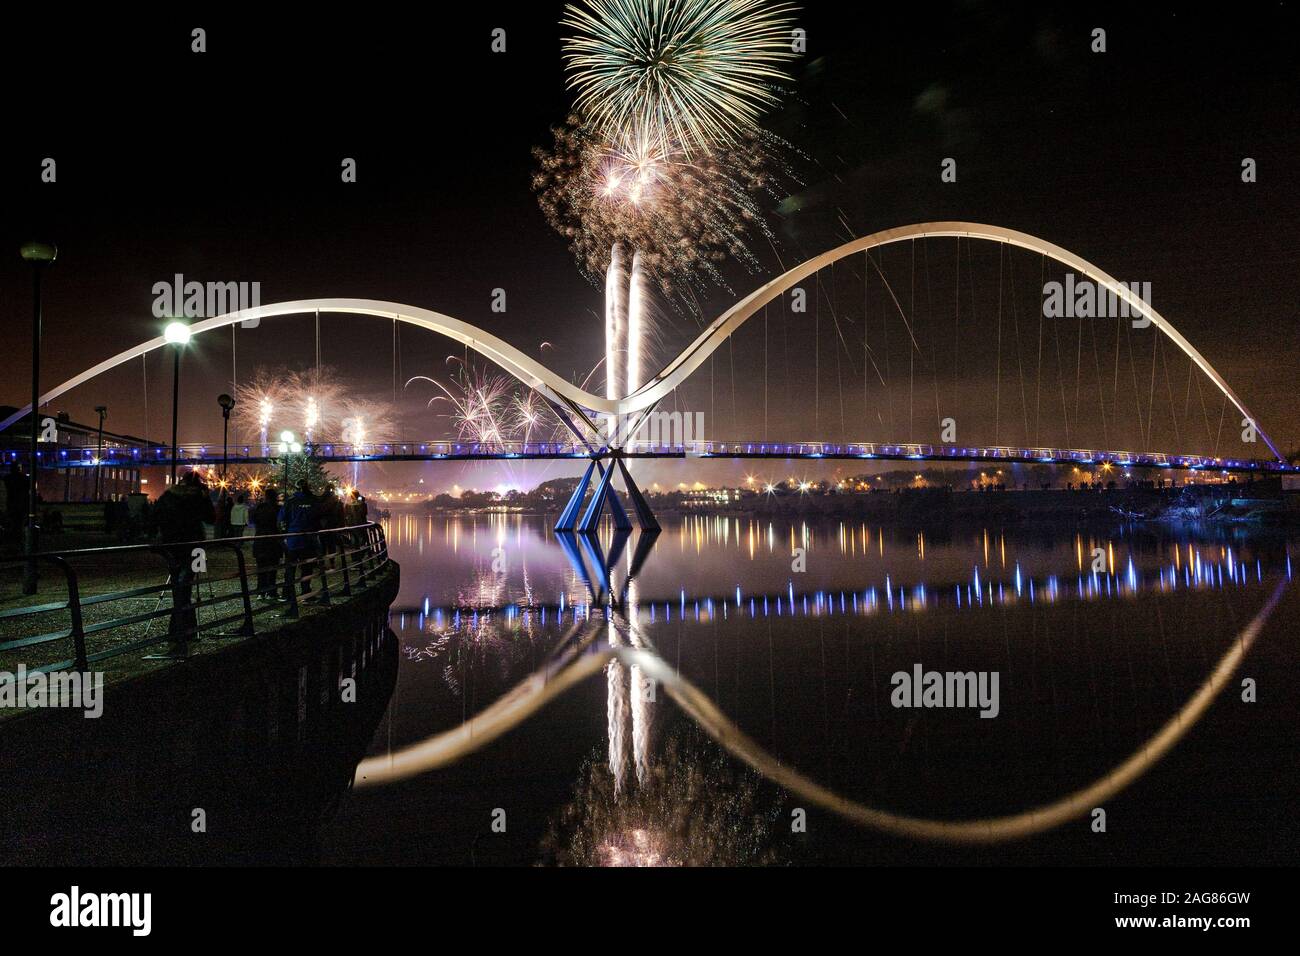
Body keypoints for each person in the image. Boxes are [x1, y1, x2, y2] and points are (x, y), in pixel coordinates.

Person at [152, 471, 216, 644]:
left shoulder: (168, 495)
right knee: (187, 585)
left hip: (171, 546)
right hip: (196, 546)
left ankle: (181, 628)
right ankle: (185, 628)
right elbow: (211, 518)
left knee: (178, 586)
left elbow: (154, 516)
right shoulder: (199, 496)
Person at [279, 479, 322, 599]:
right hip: (309, 539)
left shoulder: (290, 502)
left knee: (290, 568)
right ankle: (306, 593)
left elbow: (281, 519)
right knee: (307, 568)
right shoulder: (314, 501)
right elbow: (319, 518)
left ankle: (287, 594)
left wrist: (285, 533)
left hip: (293, 538)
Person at [251, 488, 283, 600]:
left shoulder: (260, 507)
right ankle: (271, 591)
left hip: (260, 540)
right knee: (272, 568)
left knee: (261, 568)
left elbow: (254, 520)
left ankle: (260, 592)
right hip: (273, 541)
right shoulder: (278, 508)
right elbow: (280, 524)